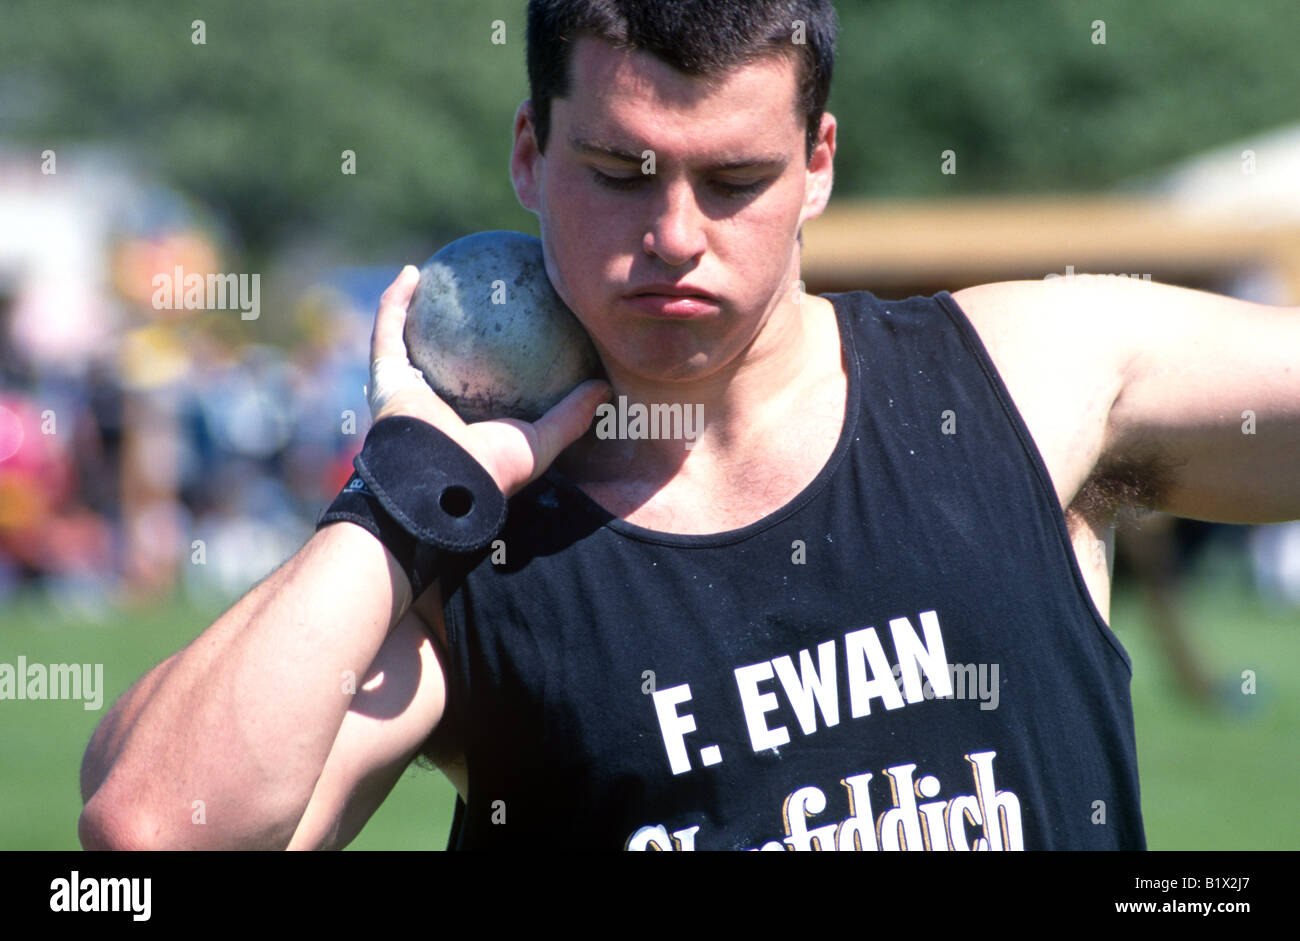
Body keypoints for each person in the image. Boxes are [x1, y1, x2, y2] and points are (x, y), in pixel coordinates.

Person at [77, 0, 1299, 851]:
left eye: (734, 181)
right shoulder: (475, 546)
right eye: (618, 172)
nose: (672, 236)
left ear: (817, 164)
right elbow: (149, 830)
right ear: (528, 150)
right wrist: (406, 491)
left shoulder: (1036, 376)